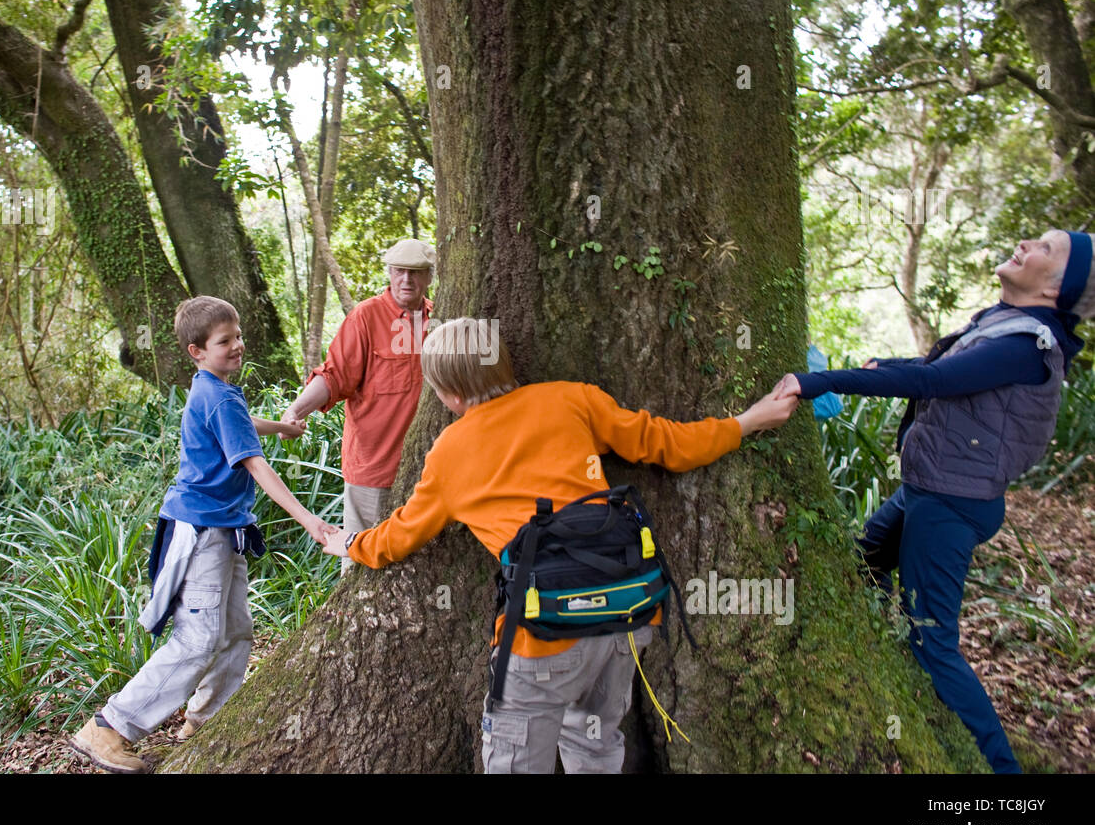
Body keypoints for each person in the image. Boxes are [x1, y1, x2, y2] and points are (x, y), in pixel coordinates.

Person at [321, 318, 798, 773]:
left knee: (514, 761)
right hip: (624, 619)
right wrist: (747, 421)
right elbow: (666, 442)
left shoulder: (450, 452)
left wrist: (351, 543)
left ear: (448, 394)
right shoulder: (571, 400)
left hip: (544, 634)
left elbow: (400, 536)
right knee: (593, 745)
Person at [774, 229, 1094, 773]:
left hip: (951, 506)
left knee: (932, 641)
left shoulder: (1027, 345)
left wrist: (812, 382)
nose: (1025, 244)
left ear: (1058, 285)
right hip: (929, 492)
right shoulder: (1004, 324)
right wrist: (885, 362)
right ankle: (875, 666)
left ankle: (1004, 777)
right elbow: (940, 365)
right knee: (864, 565)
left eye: (1044, 248)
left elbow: (937, 380)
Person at [70, 296, 337, 773]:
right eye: (224, 341)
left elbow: (238, 425)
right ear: (197, 351)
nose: (237, 346)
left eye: (237, 336)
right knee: (197, 640)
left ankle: (205, 719)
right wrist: (308, 519)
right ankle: (109, 726)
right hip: (201, 532)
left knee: (236, 633)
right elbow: (254, 465)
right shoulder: (215, 393)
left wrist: (280, 426)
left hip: (225, 528)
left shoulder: (214, 390)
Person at [284, 238, 436, 560]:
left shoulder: (439, 320)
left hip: (429, 471)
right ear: (390, 273)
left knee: (419, 561)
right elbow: (334, 376)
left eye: (415, 272)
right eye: (399, 271)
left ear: (428, 277)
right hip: (374, 471)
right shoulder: (366, 318)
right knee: (361, 559)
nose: (406, 280)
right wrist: (296, 409)